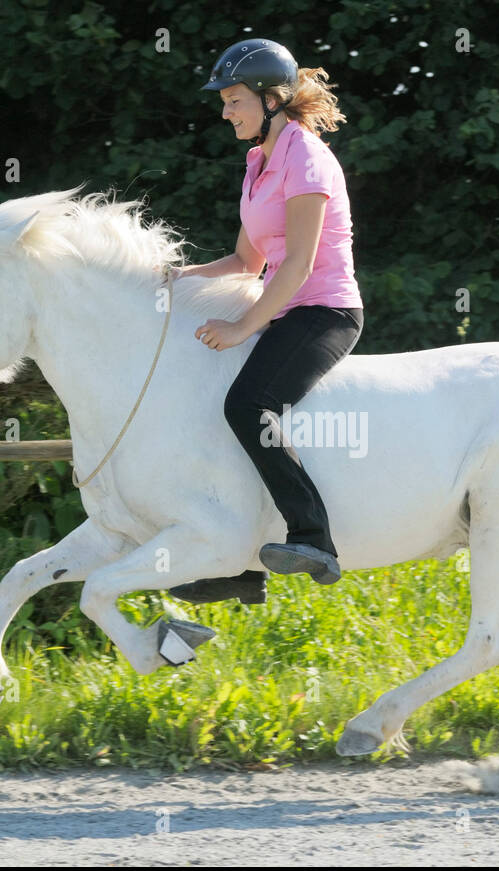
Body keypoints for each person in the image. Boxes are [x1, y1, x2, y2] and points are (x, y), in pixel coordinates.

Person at [169, 38, 364, 606]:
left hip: (324, 311)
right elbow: (246, 262)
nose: (225, 111)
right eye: (224, 102)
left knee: (246, 405)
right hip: (285, 308)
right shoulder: (258, 163)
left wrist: (242, 327)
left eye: (233, 100)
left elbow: (299, 264)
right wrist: (178, 276)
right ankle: (238, 564)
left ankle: (313, 538)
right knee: (214, 411)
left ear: (272, 98)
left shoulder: (305, 156)